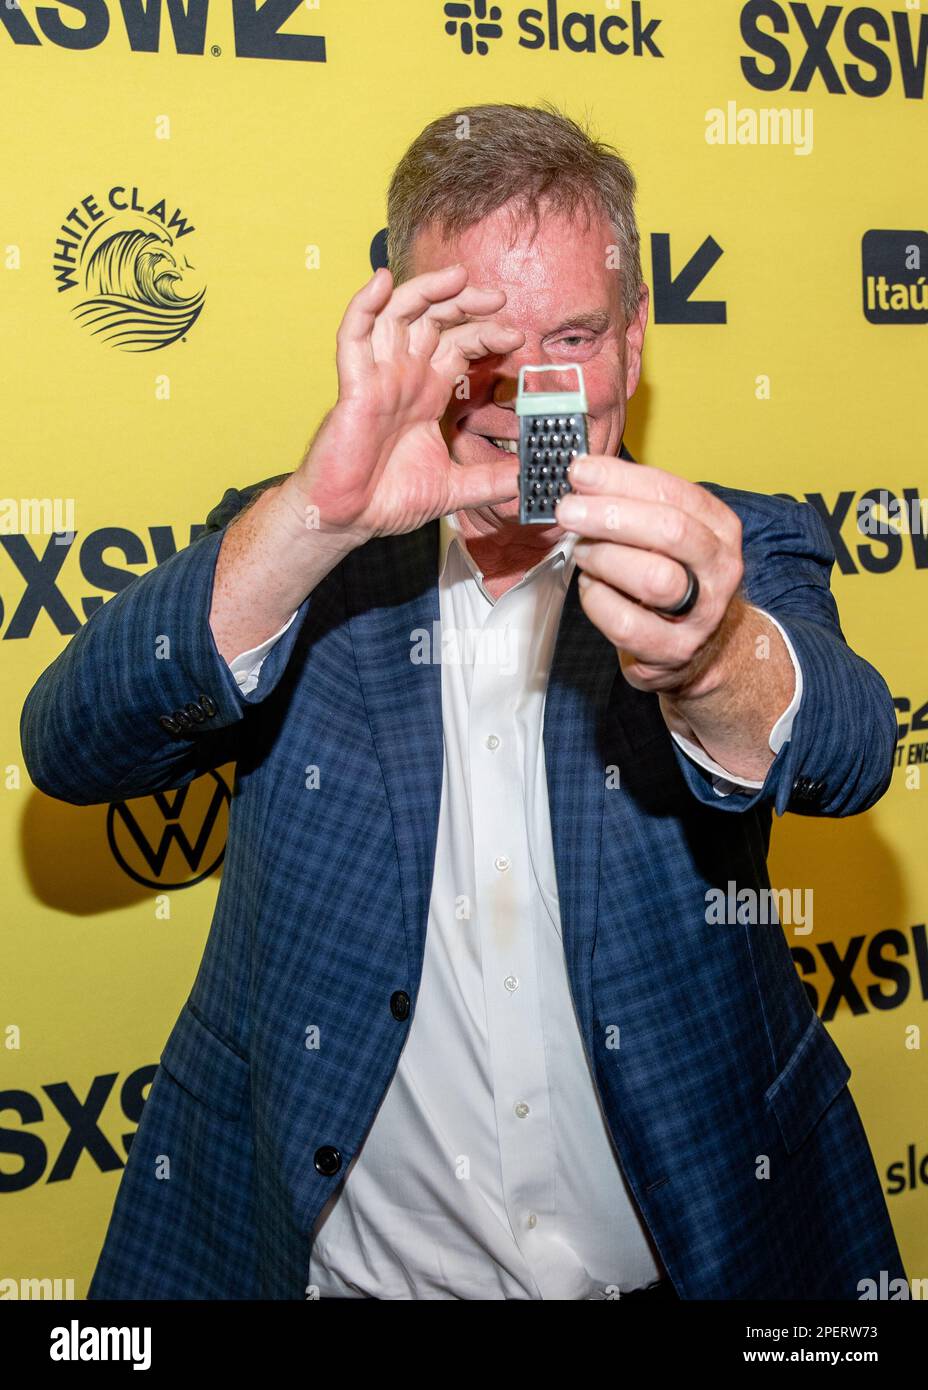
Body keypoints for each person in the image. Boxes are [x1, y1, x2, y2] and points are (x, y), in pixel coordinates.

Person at [21, 103, 905, 1300]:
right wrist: (317, 522)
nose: (529, 392)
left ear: (637, 345)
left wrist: (711, 656)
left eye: (575, 337)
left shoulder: (731, 544)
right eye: (476, 341)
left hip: (692, 1266)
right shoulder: (298, 550)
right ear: (397, 336)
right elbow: (69, 746)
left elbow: (846, 746)